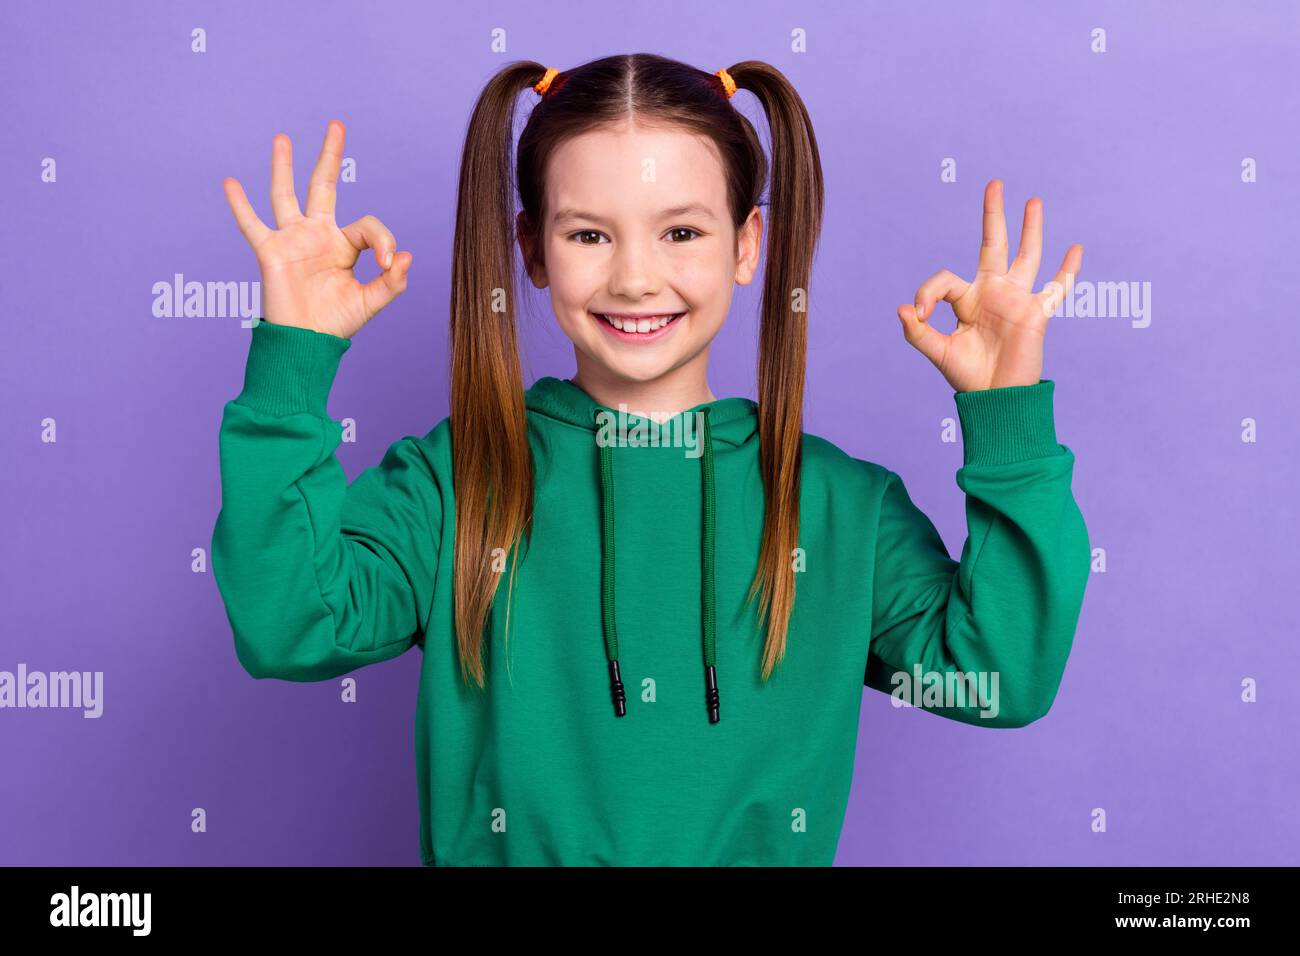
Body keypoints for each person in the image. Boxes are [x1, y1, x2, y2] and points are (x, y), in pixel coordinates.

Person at [211, 53, 1091, 866]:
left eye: (682, 233)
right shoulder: (455, 484)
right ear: (532, 251)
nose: (636, 278)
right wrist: (295, 358)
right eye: (589, 235)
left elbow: (1002, 679)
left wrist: (1006, 414)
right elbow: (290, 622)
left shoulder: (840, 508)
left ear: (748, 246)